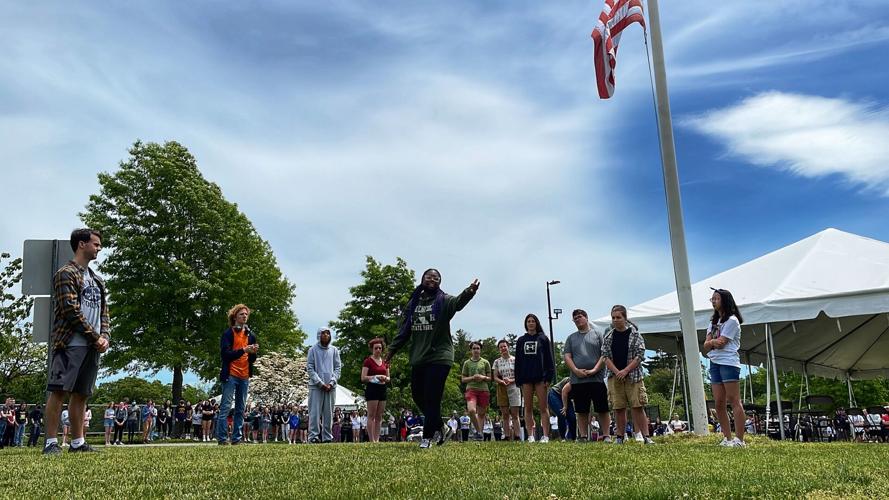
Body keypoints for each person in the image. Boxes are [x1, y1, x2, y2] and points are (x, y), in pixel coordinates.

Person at [385, 269, 479, 449]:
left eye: (436, 278)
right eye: (429, 277)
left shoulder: (443, 301)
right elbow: (405, 331)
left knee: (432, 397)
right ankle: (442, 427)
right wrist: (391, 351)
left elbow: (458, 303)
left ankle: (427, 438)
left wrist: (469, 292)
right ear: (422, 280)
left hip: (440, 356)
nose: (432, 280)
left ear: (440, 282)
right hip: (419, 357)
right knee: (417, 396)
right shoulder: (414, 303)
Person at [43, 228, 110, 455]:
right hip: (70, 343)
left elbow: (104, 313)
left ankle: (78, 443)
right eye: (96, 244)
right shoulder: (66, 273)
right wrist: (95, 336)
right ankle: (51, 442)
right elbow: (70, 310)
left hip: (92, 346)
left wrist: (105, 337)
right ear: (82, 245)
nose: (99, 248)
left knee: (81, 394)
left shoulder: (97, 280)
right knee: (59, 391)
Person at [602, 305, 655, 445]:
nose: (615, 320)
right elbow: (605, 356)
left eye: (618, 317)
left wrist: (626, 370)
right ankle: (619, 436)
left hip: (633, 376)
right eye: (613, 318)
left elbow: (639, 355)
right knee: (618, 408)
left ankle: (646, 437)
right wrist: (616, 371)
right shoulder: (608, 337)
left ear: (625, 318)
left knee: (637, 406)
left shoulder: (635, 335)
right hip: (615, 377)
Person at [701, 289, 747, 448]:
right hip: (715, 362)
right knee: (719, 402)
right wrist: (713, 342)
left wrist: (712, 342)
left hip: (729, 362)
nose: (713, 301)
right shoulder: (713, 322)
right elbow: (706, 346)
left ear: (725, 300)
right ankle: (727, 438)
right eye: (712, 299)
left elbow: (722, 342)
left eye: (716, 299)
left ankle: (740, 440)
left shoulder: (732, 321)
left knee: (734, 400)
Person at [563, 309, 611, 443]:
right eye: (575, 318)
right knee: (581, 410)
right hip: (578, 380)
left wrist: (595, 369)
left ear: (586, 317)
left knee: (602, 408)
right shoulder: (571, 338)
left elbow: (604, 354)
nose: (577, 320)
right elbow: (567, 356)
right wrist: (575, 370)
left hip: (597, 378)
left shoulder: (598, 334)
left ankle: (606, 435)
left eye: (579, 317)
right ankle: (583, 436)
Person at [216, 304, 259, 445]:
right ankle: (222, 439)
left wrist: (253, 353)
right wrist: (243, 350)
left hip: (244, 375)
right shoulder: (228, 334)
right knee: (226, 407)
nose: (244, 316)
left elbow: (251, 359)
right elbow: (225, 355)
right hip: (231, 374)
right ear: (235, 317)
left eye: (246, 314)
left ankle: (236, 439)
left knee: (241, 408)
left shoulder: (250, 335)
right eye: (241, 314)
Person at [514, 313, 555, 443]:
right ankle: (530, 435)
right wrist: (518, 379)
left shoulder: (543, 338)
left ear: (536, 323)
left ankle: (545, 436)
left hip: (541, 378)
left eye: (533, 321)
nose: (530, 323)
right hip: (526, 378)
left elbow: (549, 359)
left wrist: (549, 377)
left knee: (543, 407)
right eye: (528, 321)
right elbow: (518, 361)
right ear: (526, 324)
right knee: (528, 407)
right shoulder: (521, 340)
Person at [307, 327, 341, 444]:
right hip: (316, 386)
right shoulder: (312, 350)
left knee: (329, 413)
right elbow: (310, 368)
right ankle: (313, 437)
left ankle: (327, 437)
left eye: (328, 333)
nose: (326, 335)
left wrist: (332, 382)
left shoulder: (334, 350)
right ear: (318, 335)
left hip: (331, 387)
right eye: (323, 333)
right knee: (314, 413)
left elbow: (338, 368)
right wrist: (320, 383)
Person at [461, 341, 492, 441]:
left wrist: (482, 377)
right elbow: (463, 379)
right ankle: (478, 431)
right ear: (471, 350)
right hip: (471, 389)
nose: (476, 350)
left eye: (478, 348)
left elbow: (490, 378)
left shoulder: (485, 362)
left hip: (483, 389)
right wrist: (473, 378)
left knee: (481, 414)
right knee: (471, 410)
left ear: (480, 350)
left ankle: (480, 436)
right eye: (474, 348)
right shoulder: (467, 363)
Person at [361, 337, 390, 443]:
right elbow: (363, 378)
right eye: (376, 348)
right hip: (372, 389)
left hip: (382, 389)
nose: (378, 350)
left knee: (379, 415)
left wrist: (385, 378)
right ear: (372, 349)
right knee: (371, 415)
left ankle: (377, 439)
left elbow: (388, 377)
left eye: (380, 348)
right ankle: (371, 439)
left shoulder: (385, 362)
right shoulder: (368, 361)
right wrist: (375, 376)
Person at [492, 339, 522, 441]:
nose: (503, 348)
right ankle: (507, 435)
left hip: (514, 387)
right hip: (502, 387)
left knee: (515, 414)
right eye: (501, 347)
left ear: (508, 347)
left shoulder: (515, 360)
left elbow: (520, 375)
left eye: (504, 346)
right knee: (505, 414)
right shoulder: (497, 361)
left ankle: (517, 435)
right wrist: (501, 381)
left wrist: (511, 380)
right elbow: (495, 376)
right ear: (499, 349)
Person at [548, 377, 577, 442]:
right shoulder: (574, 380)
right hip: (555, 394)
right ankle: (562, 438)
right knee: (562, 413)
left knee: (572, 417)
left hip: (567, 398)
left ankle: (574, 438)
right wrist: (565, 407)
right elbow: (564, 391)